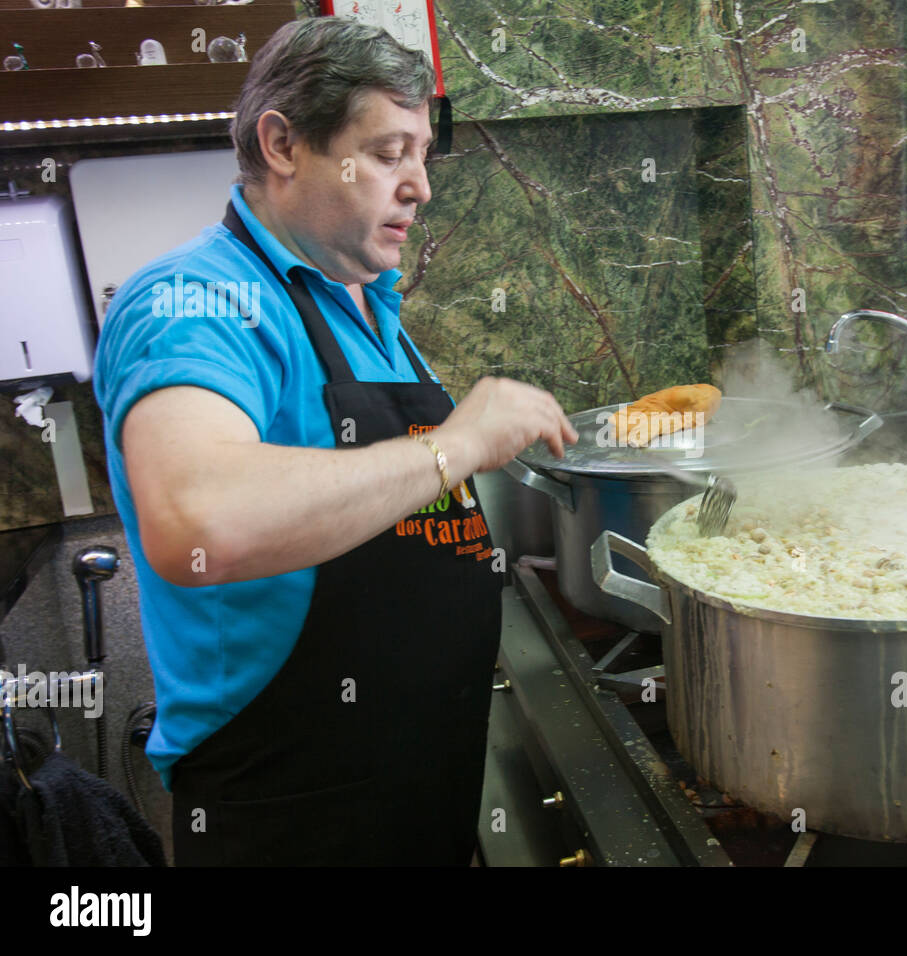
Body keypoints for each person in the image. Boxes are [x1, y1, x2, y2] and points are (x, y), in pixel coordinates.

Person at [92, 17, 576, 866]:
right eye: (389, 154)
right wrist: (455, 445)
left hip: (420, 779)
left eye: (424, 155)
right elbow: (198, 518)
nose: (420, 186)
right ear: (283, 144)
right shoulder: (191, 298)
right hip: (295, 812)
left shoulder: (367, 304)